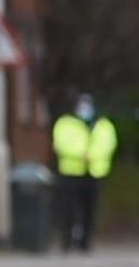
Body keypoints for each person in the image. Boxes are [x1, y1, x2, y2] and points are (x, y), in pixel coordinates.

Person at [50, 93, 118, 252]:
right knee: (69, 209)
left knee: (90, 209)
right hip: (71, 171)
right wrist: (81, 154)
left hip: (94, 172)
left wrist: (92, 155)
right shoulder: (65, 123)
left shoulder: (102, 124)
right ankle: (66, 242)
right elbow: (61, 143)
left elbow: (108, 144)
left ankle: (85, 243)